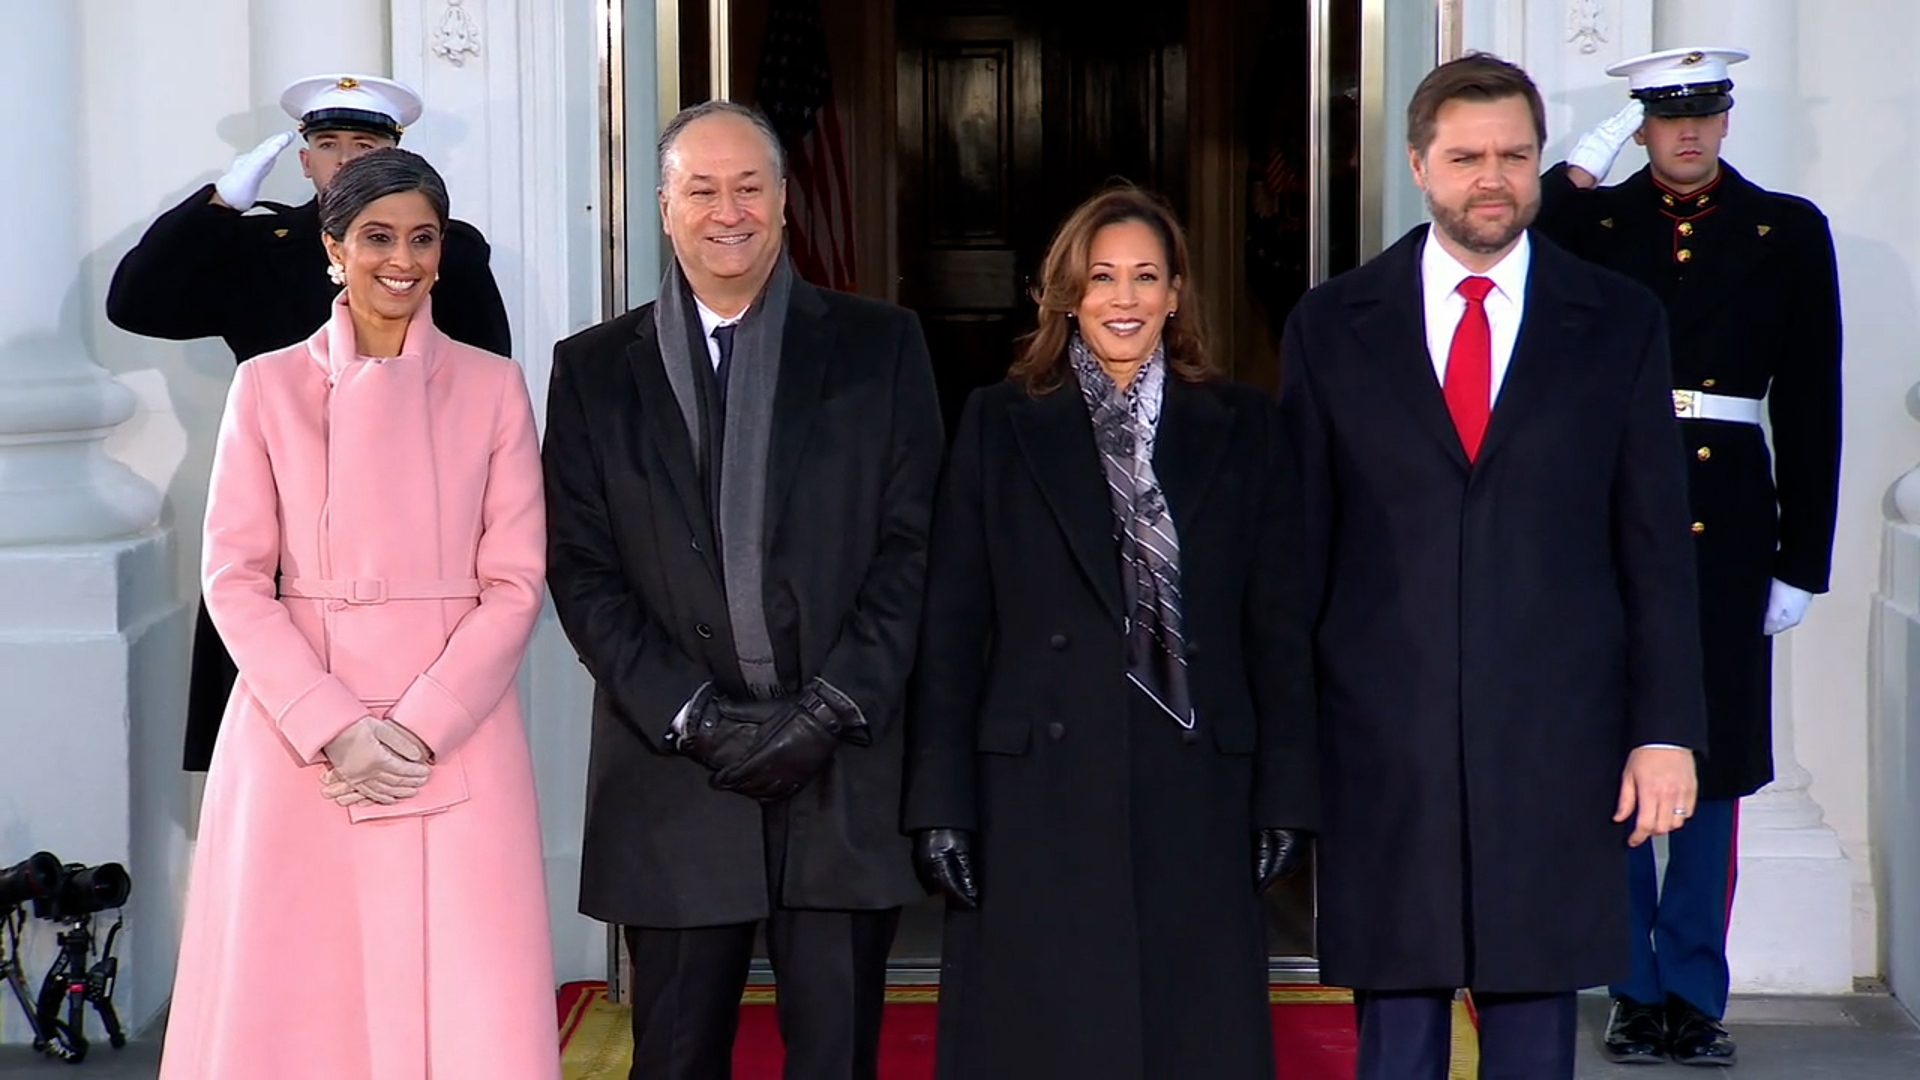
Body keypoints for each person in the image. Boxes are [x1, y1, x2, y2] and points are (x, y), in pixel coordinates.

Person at [1276, 53, 1709, 1080]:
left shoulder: (1619, 320)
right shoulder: (1331, 325)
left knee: (1531, 1023)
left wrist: (1665, 732)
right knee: (1398, 1025)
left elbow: (1654, 546)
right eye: (1466, 157)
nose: (1493, 180)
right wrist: (1289, 759)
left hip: (1557, 743)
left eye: (1514, 156)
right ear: (1418, 165)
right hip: (1384, 745)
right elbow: (1297, 558)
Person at [543, 100, 944, 1080]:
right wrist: (689, 714)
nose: (729, 212)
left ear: (785, 200)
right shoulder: (592, 370)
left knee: (836, 1056)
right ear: (665, 208)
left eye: (749, 187)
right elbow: (580, 568)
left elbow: (916, 546)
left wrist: (833, 706)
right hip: (674, 767)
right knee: (676, 1057)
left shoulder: (881, 346)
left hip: (839, 763)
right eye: (702, 190)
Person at [157, 149, 556, 1079]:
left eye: (423, 238)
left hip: (455, 734)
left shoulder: (494, 385)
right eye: (377, 237)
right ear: (333, 247)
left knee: (466, 985)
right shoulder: (266, 386)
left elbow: (516, 581)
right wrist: (336, 727)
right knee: (300, 993)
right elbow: (234, 578)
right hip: (298, 732)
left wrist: (419, 727)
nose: (402, 260)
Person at [903, 186, 1317, 1080]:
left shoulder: (1245, 424)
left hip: (1197, 783)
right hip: (1035, 793)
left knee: (1189, 1037)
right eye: (1101, 278)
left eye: (1145, 277)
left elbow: (1277, 625)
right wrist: (939, 803)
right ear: (1067, 296)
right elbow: (951, 627)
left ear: (1176, 294)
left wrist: (1287, 794)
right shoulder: (998, 421)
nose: (1124, 298)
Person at [1537, 45, 1844, 1067]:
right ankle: (1631, 988)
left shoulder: (1785, 229)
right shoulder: (1595, 224)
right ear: (1640, 125)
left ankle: (1695, 994)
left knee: (1714, 764)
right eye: (1666, 116)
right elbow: (1510, 249)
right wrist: (1575, 172)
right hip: (1607, 505)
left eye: (1702, 113)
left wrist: (1802, 556)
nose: (1687, 132)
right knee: (1619, 749)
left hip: (1727, 516)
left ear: (1725, 119)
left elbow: (1813, 398)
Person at [106, 71, 513, 773]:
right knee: (273, 763)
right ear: (304, 159)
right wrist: (221, 202)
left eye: (365, 145)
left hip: (411, 549)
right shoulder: (257, 247)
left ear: (397, 155)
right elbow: (135, 303)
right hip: (283, 546)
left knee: (420, 765)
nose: (346, 160)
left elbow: (482, 385)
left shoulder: (446, 252)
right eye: (329, 145)